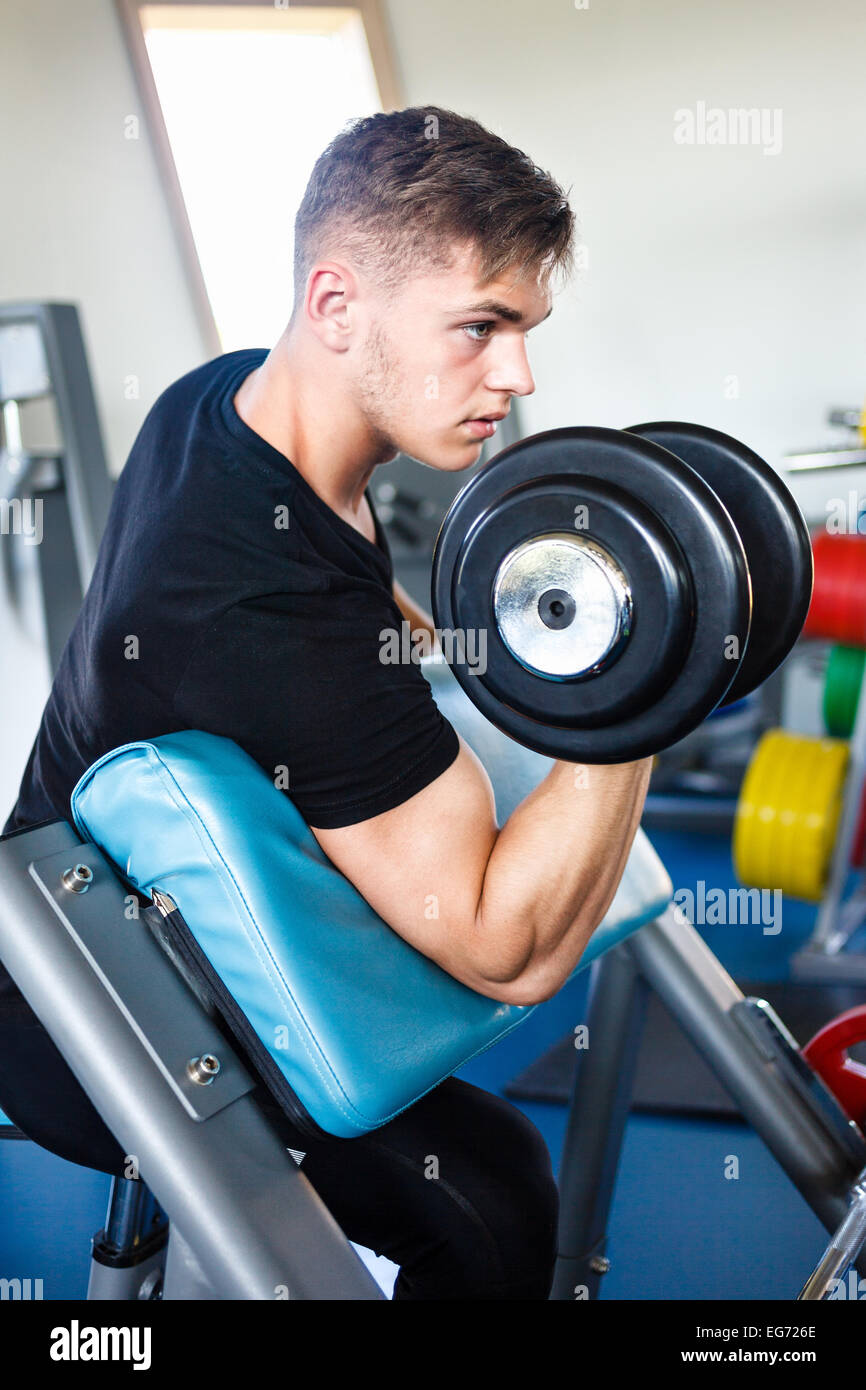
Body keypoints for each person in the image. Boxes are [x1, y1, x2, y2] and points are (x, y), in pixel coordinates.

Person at [0, 106, 652, 1299]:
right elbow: (511, 953)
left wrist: (466, 654)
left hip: (135, 896)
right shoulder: (259, 609)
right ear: (336, 305)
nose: (517, 374)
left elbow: (373, 616)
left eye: (523, 328)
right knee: (492, 1202)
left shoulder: (225, 403)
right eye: (481, 328)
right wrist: (638, 688)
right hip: (91, 1008)